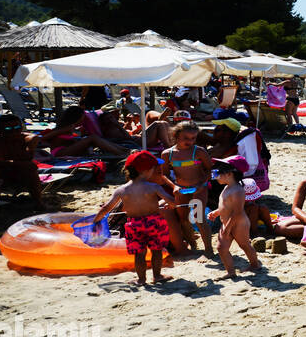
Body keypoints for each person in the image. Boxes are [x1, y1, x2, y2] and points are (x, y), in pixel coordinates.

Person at [92, 151, 175, 286]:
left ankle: (141, 279)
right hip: (154, 222)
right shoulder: (154, 187)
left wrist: (96, 220)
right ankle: (157, 276)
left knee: (139, 254)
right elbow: (172, 202)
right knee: (157, 250)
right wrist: (173, 198)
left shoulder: (122, 190)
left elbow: (106, 208)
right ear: (146, 170)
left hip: (134, 224)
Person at [160, 121, 214, 256]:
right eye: (186, 138)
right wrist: (174, 186)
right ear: (175, 135)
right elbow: (164, 174)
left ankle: (208, 249)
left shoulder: (199, 151)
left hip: (199, 188)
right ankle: (193, 245)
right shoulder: (168, 154)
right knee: (183, 219)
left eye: (193, 138)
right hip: (181, 189)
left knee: (199, 218)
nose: (190, 141)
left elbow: (210, 170)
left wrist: (202, 185)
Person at [208, 157, 262, 279]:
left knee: (244, 245)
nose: (216, 175)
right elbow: (226, 206)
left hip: (239, 224)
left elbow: (237, 212)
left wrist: (228, 228)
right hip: (227, 222)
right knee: (221, 248)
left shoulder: (237, 190)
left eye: (218, 173)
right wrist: (216, 213)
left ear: (229, 174)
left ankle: (255, 264)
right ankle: (231, 272)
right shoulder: (227, 187)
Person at [37, 106, 128, 158]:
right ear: (76, 117)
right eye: (82, 117)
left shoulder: (70, 127)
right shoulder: (67, 127)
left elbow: (65, 141)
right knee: (93, 138)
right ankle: (122, 152)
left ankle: (124, 150)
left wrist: (77, 140)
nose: (84, 119)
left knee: (92, 139)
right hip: (59, 152)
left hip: (65, 150)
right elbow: (45, 138)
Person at [0, 114, 44, 206]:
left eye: (17, 127)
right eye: (8, 129)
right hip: (2, 172)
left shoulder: (27, 139)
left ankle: (38, 202)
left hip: (17, 173)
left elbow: (27, 158)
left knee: (30, 169)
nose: (14, 132)